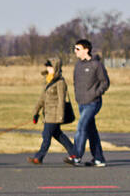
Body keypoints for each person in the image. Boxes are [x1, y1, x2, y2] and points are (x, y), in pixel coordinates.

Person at [69, 38, 110, 167]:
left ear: (86, 50)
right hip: (81, 102)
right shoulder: (78, 65)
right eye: (74, 49)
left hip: (93, 102)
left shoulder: (96, 64)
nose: (75, 51)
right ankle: (99, 158)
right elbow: (75, 82)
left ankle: (76, 156)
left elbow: (105, 82)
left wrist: (95, 94)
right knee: (91, 130)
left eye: (78, 49)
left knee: (81, 127)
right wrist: (77, 96)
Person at [29, 60, 77, 164]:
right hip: (48, 114)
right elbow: (42, 99)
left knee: (46, 135)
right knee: (59, 135)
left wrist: (60, 116)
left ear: (56, 68)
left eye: (50, 67)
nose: (48, 69)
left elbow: (61, 101)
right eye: (47, 67)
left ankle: (39, 157)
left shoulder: (60, 82)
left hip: (55, 115)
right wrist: (35, 113)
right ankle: (74, 153)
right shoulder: (48, 81)